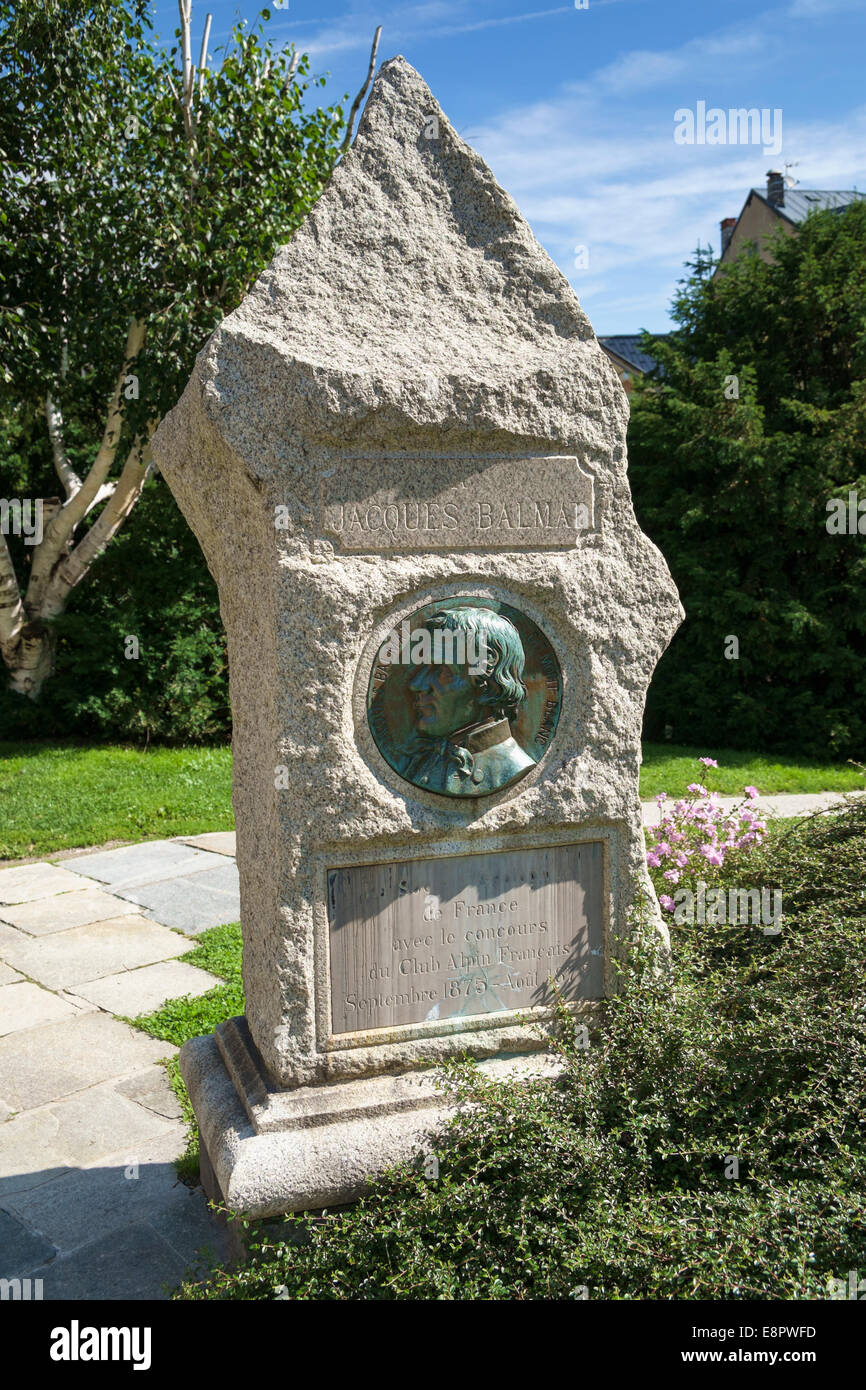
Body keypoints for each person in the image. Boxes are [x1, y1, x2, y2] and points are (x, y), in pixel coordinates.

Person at [395, 606, 535, 796]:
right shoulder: (423, 762)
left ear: (487, 682)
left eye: (441, 670)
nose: (416, 684)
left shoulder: (514, 768)